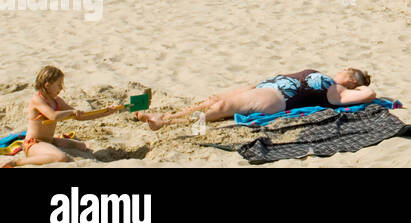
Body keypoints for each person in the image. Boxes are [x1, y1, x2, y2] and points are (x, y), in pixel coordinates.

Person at [135, 68, 374, 130]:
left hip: (276, 97)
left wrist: (360, 86)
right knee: (213, 100)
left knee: (221, 107)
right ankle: (168, 116)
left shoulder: (338, 91)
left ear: (352, 81)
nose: (340, 72)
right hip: (264, 86)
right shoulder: (329, 80)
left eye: (346, 72)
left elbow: (370, 94)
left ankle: (164, 123)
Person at [6, 66, 130, 167]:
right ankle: (18, 162)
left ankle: (49, 150)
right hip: (34, 144)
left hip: (50, 141)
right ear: (48, 85)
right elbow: (53, 116)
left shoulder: (57, 100)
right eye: (58, 85)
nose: (61, 88)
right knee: (61, 158)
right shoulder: (37, 99)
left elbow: (82, 116)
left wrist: (106, 112)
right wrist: (72, 112)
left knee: (82, 146)